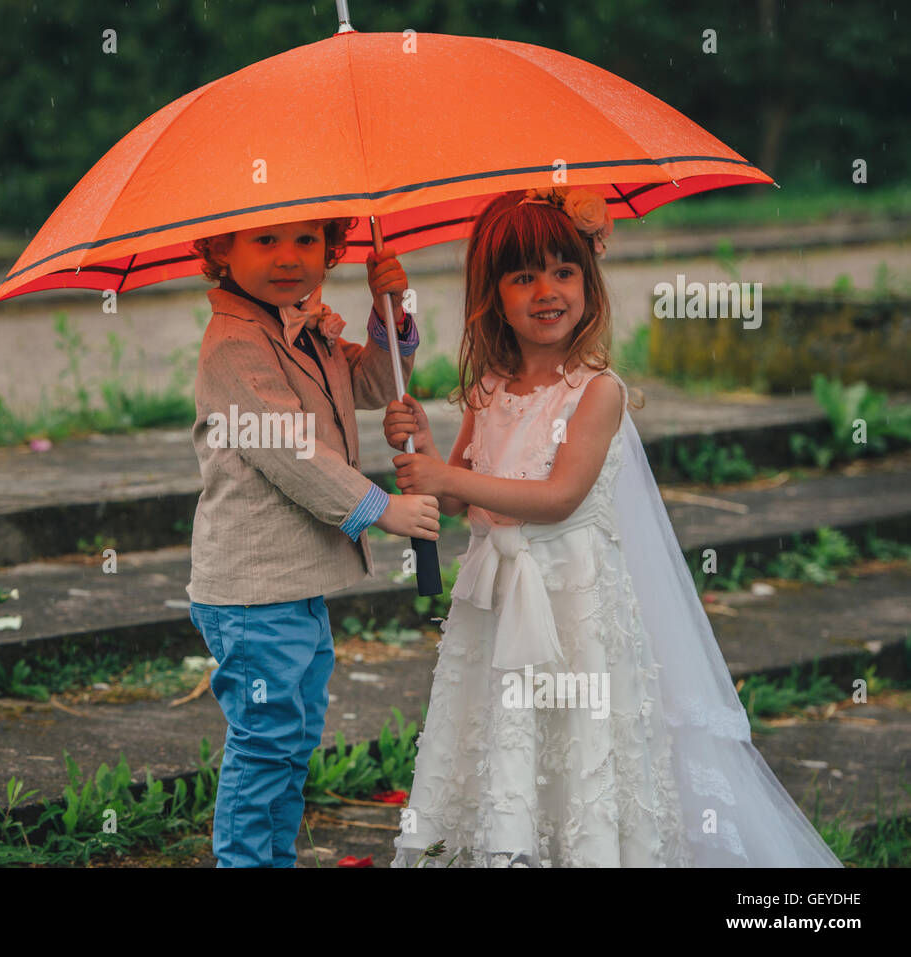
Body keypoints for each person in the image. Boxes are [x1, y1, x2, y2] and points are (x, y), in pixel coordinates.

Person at [382, 187, 842, 867]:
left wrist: (451, 480)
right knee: (506, 737)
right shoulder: (486, 389)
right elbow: (460, 497)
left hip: (575, 612)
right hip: (498, 611)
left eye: (564, 271)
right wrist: (422, 448)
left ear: (589, 283)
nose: (547, 290)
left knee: (580, 746)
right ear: (491, 295)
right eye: (523, 276)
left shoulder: (597, 392)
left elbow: (559, 495)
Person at [185, 217, 441, 867]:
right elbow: (293, 453)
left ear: (331, 248)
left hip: (297, 583)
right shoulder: (233, 347)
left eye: (305, 240)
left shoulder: (301, 323)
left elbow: (377, 386)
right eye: (264, 241)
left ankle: (273, 857)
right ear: (221, 250)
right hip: (252, 586)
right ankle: (244, 860)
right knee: (265, 736)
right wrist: (381, 508)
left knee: (295, 734)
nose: (288, 258)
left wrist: (392, 313)